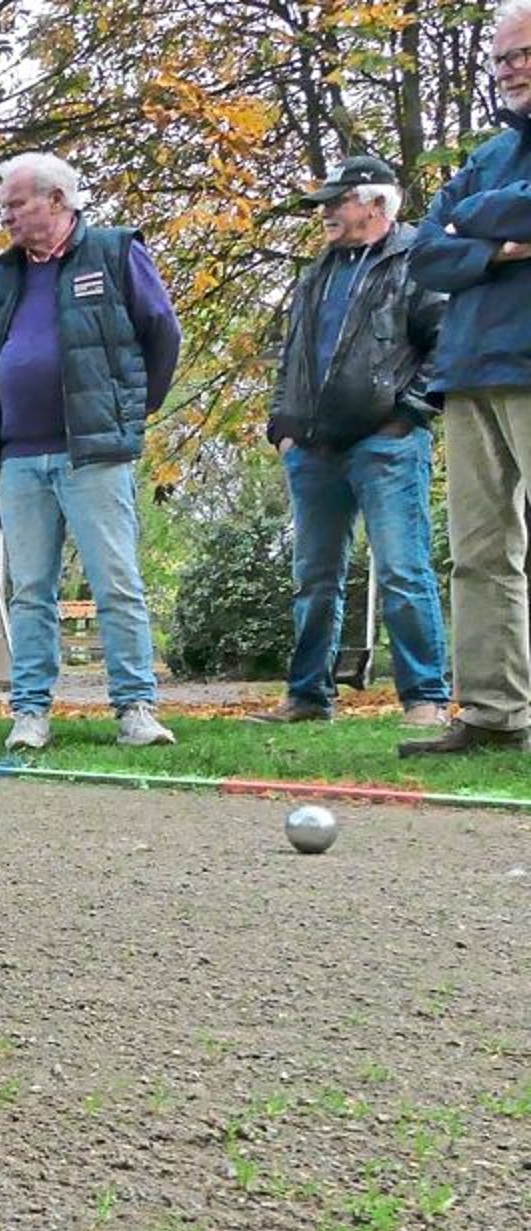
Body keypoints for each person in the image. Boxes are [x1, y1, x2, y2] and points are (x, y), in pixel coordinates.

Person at [0, 152, 183, 750]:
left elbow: (162, 332)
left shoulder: (116, 251)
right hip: (20, 457)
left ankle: (136, 709)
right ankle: (30, 713)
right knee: (31, 590)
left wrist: (131, 410)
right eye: (5, 204)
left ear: (58, 202)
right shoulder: (2, 274)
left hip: (93, 453)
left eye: (16, 204)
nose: (7, 215)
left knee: (115, 581)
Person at [253, 155, 450, 729]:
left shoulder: (418, 261)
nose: (325, 214)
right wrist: (282, 427)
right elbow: (291, 357)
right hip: (312, 449)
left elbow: (443, 342)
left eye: (337, 203)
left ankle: (425, 699)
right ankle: (309, 695)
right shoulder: (316, 272)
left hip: (386, 445)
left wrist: (406, 415)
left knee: (402, 572)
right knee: (313, 578)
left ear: (376, 204)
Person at [402, 0, 531, 755]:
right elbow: (423, 252)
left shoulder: (478, 180)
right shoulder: (486, 156)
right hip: (471, 369)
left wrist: (472, 223)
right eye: (502, 60)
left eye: (522, 54)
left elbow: (460, 221)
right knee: (479, 552)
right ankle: (494, 714)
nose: (510, 70)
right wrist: (500, 246)